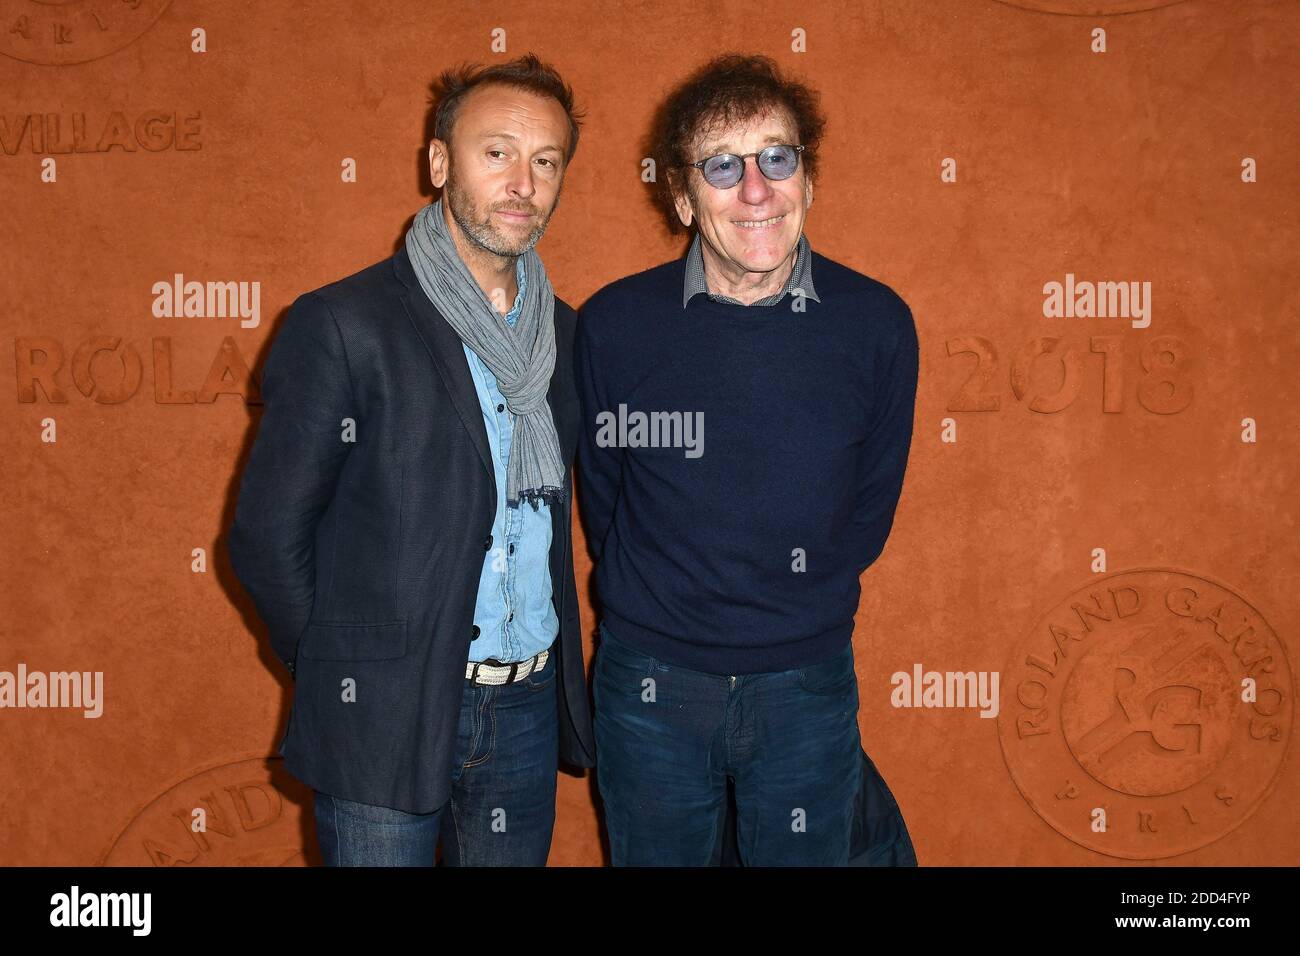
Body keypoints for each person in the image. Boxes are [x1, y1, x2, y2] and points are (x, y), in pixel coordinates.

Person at [227, 53, 594, 866]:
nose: (521, 182)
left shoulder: (567, 336)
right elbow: (265, 537)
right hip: (383, 710)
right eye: (496, 152)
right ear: (439, 163)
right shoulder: (343, 323)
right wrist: (347, 662)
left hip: (527, 705)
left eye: (545, 161)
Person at [575, 53, 919, 865]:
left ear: (809, 180)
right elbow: (604, 498)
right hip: (650, 687)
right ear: (684, 196)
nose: (756, 189)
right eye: (722, 166)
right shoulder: (615, 325)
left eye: (777, 157)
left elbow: (869, 511)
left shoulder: (876, 324)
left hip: (806, 685)